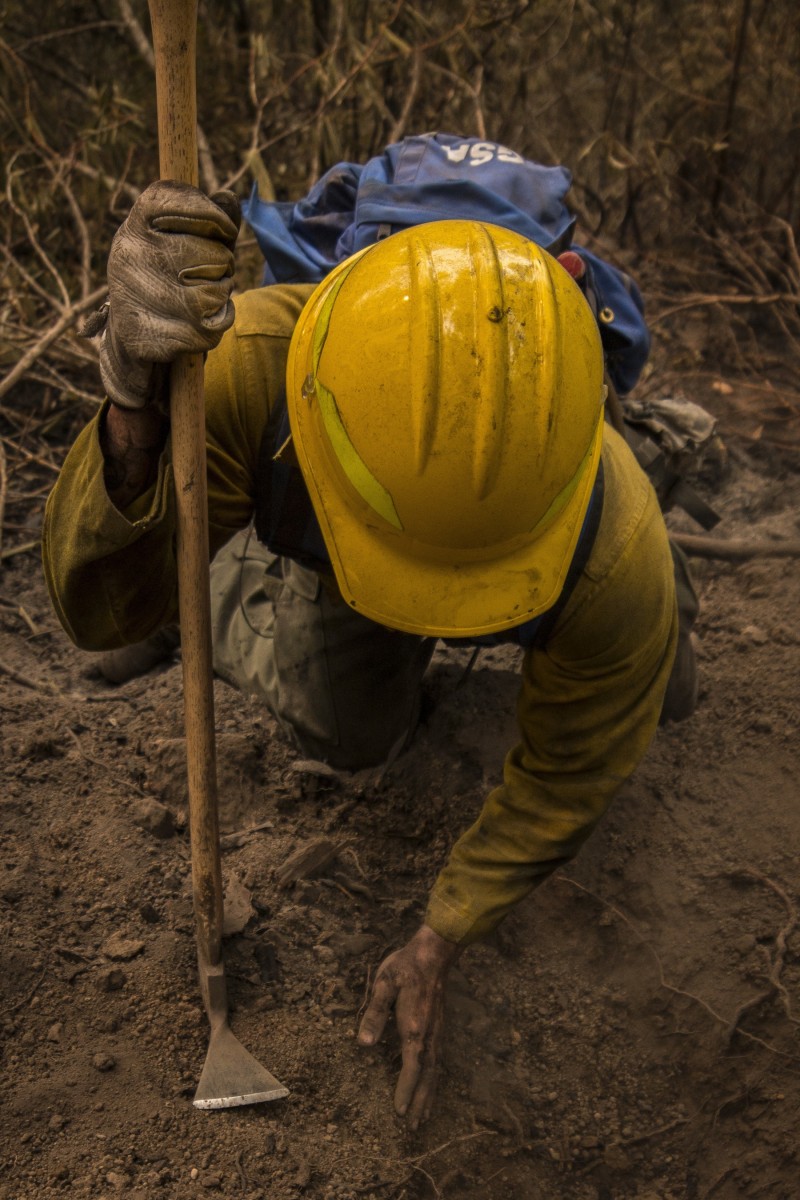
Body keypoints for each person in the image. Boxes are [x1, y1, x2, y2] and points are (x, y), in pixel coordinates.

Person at [42, 177, 698, 1129]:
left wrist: (445, 931)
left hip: (584, 553)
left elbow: (572, 771)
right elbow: (95, 612)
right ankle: (215, 602)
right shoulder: (250, 371)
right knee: (348, 731)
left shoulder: (615, 545)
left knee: (665, 685)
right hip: (323, 536)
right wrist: (133, 419)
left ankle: (670, 443)